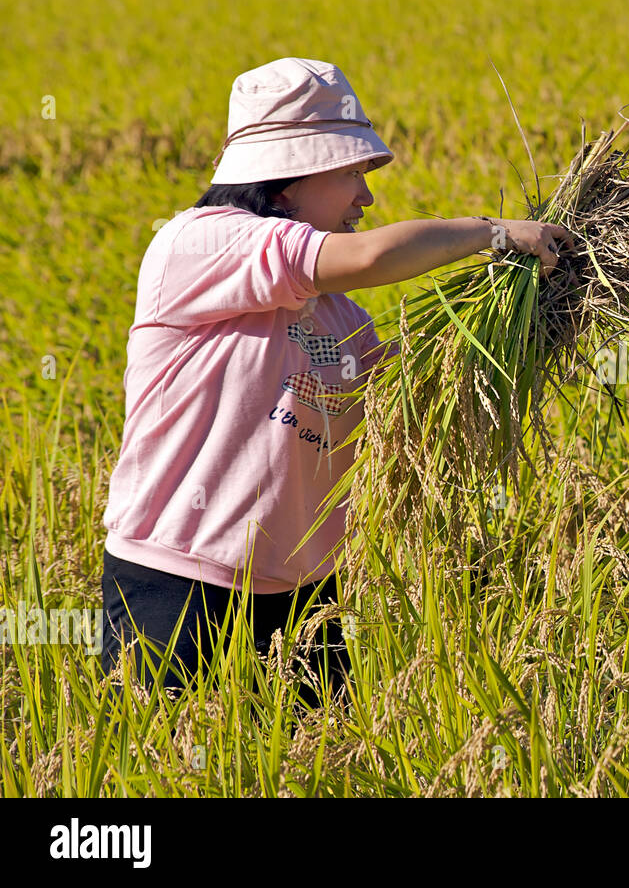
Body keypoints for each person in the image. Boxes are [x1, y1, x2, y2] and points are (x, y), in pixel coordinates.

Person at [100, 57, 572, 703]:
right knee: (167, 766)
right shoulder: (199, 245)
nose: (366, 196)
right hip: (180, 581)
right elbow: (371, 255)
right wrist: (495, 235)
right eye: (350, 171)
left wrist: (526, 327)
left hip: (305, 599)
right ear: (287, 178)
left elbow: (403, 419)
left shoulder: (343, 318)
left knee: (319, 768)